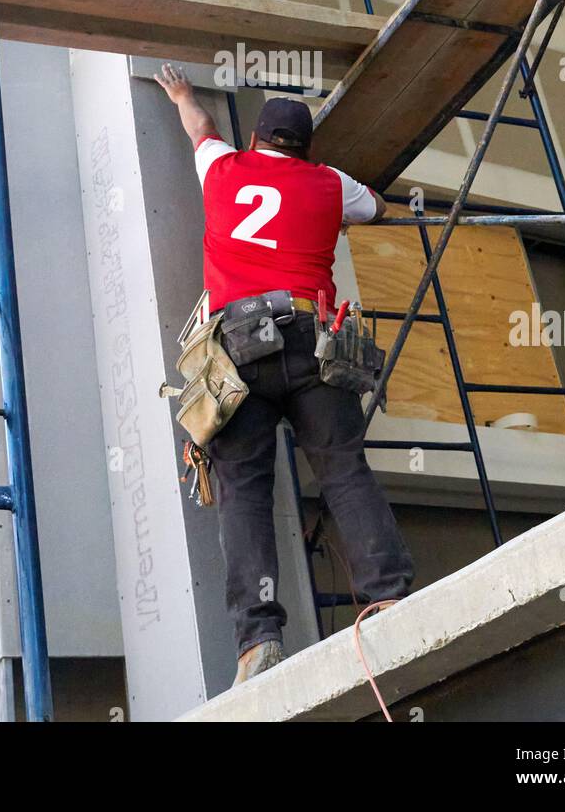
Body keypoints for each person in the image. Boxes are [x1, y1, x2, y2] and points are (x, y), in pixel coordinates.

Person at [154, 64, 415, 685]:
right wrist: (338, 212)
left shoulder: (222, 167)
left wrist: (183, 95)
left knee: (243, 492)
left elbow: (200, 128)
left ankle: (257, 640)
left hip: (238, 350)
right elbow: (376, 207)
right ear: (306, 148)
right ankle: (388, 599)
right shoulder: (328, 182)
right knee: (344, 471)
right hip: (311, 342)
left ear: (258, 142)